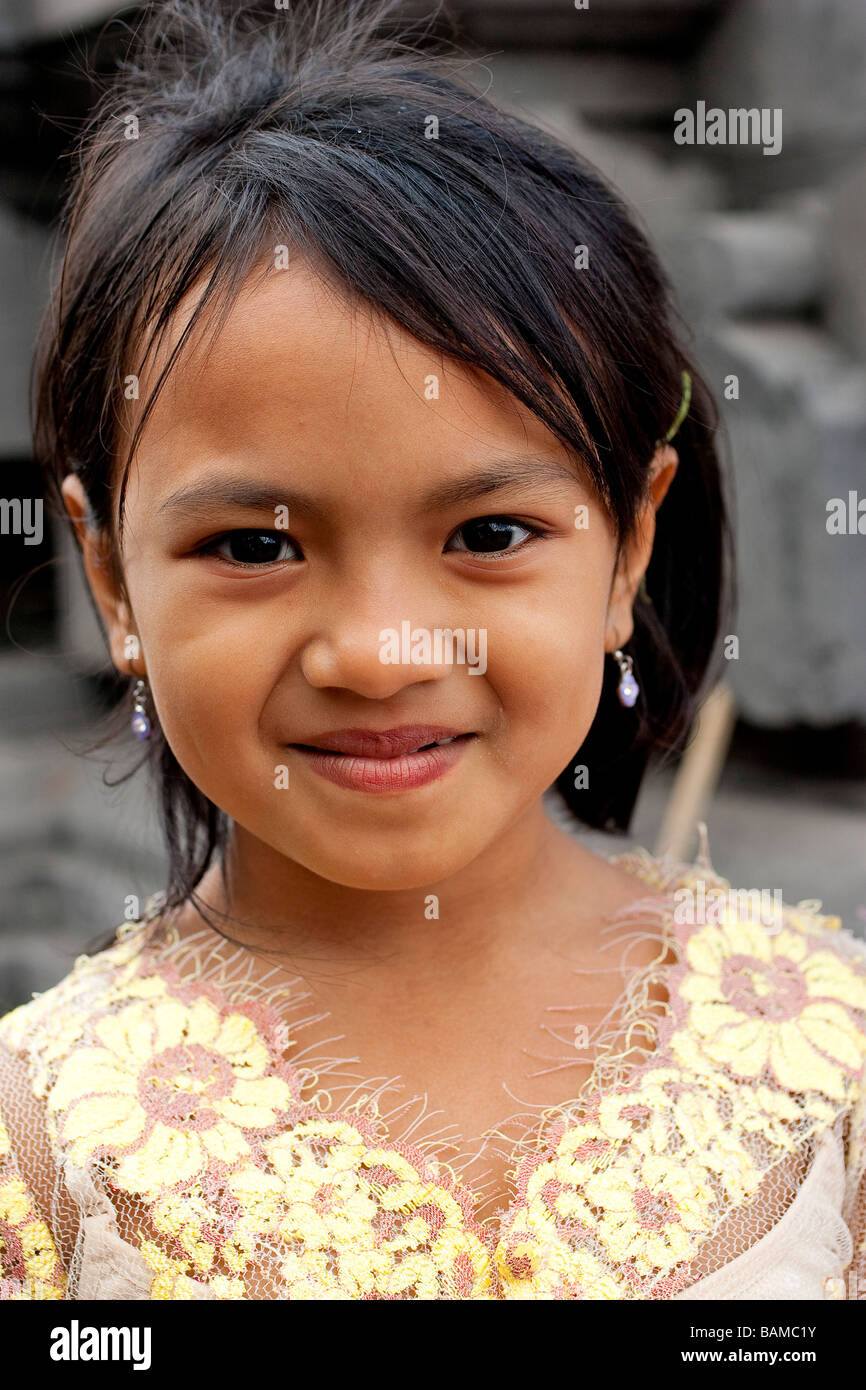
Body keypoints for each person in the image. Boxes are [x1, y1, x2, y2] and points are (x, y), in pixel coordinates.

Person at [1, 0, 864, 1301]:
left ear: (626, 550)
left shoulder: (830, 1063)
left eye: (491, 530)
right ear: (113, 577)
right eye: (253, 547)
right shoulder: (38, 1157)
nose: (379, 650)